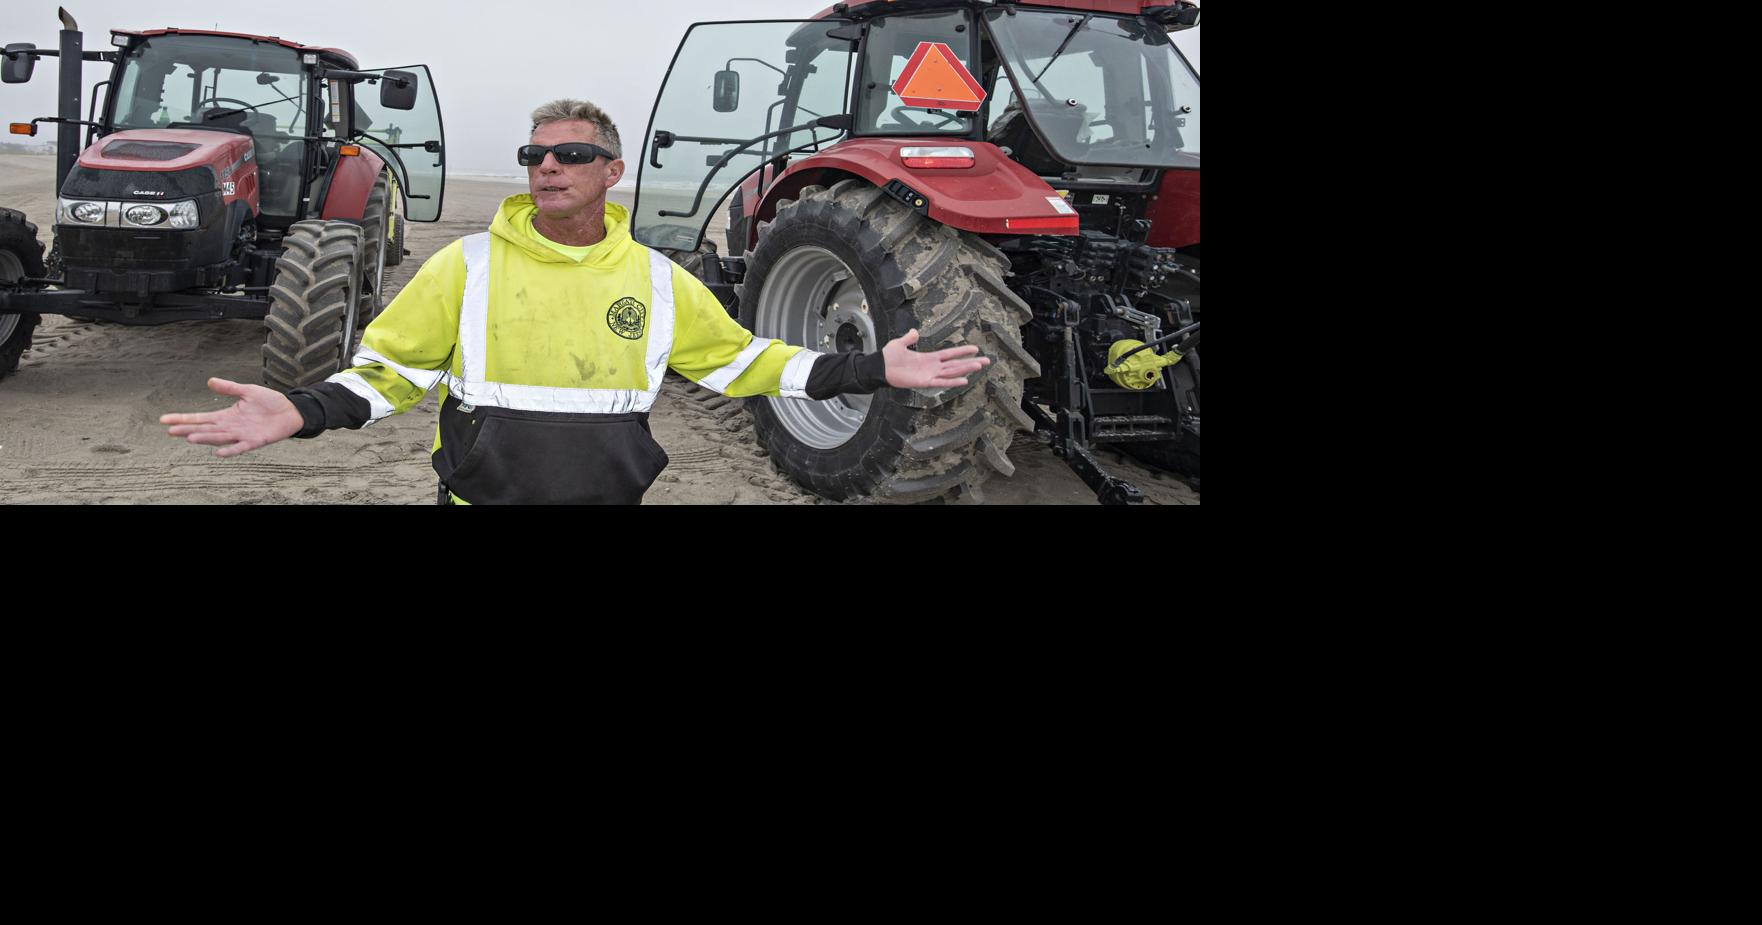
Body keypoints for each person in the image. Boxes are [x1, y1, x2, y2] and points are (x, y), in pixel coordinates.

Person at [161, 99, 989, 504]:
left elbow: (747, 365)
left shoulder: (660, 282)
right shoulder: (466, 264)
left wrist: (871, 366)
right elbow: (389, 377)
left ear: (610, 171)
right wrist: (303, 411)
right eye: (534, 154)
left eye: (571, 153)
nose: (547, 167)